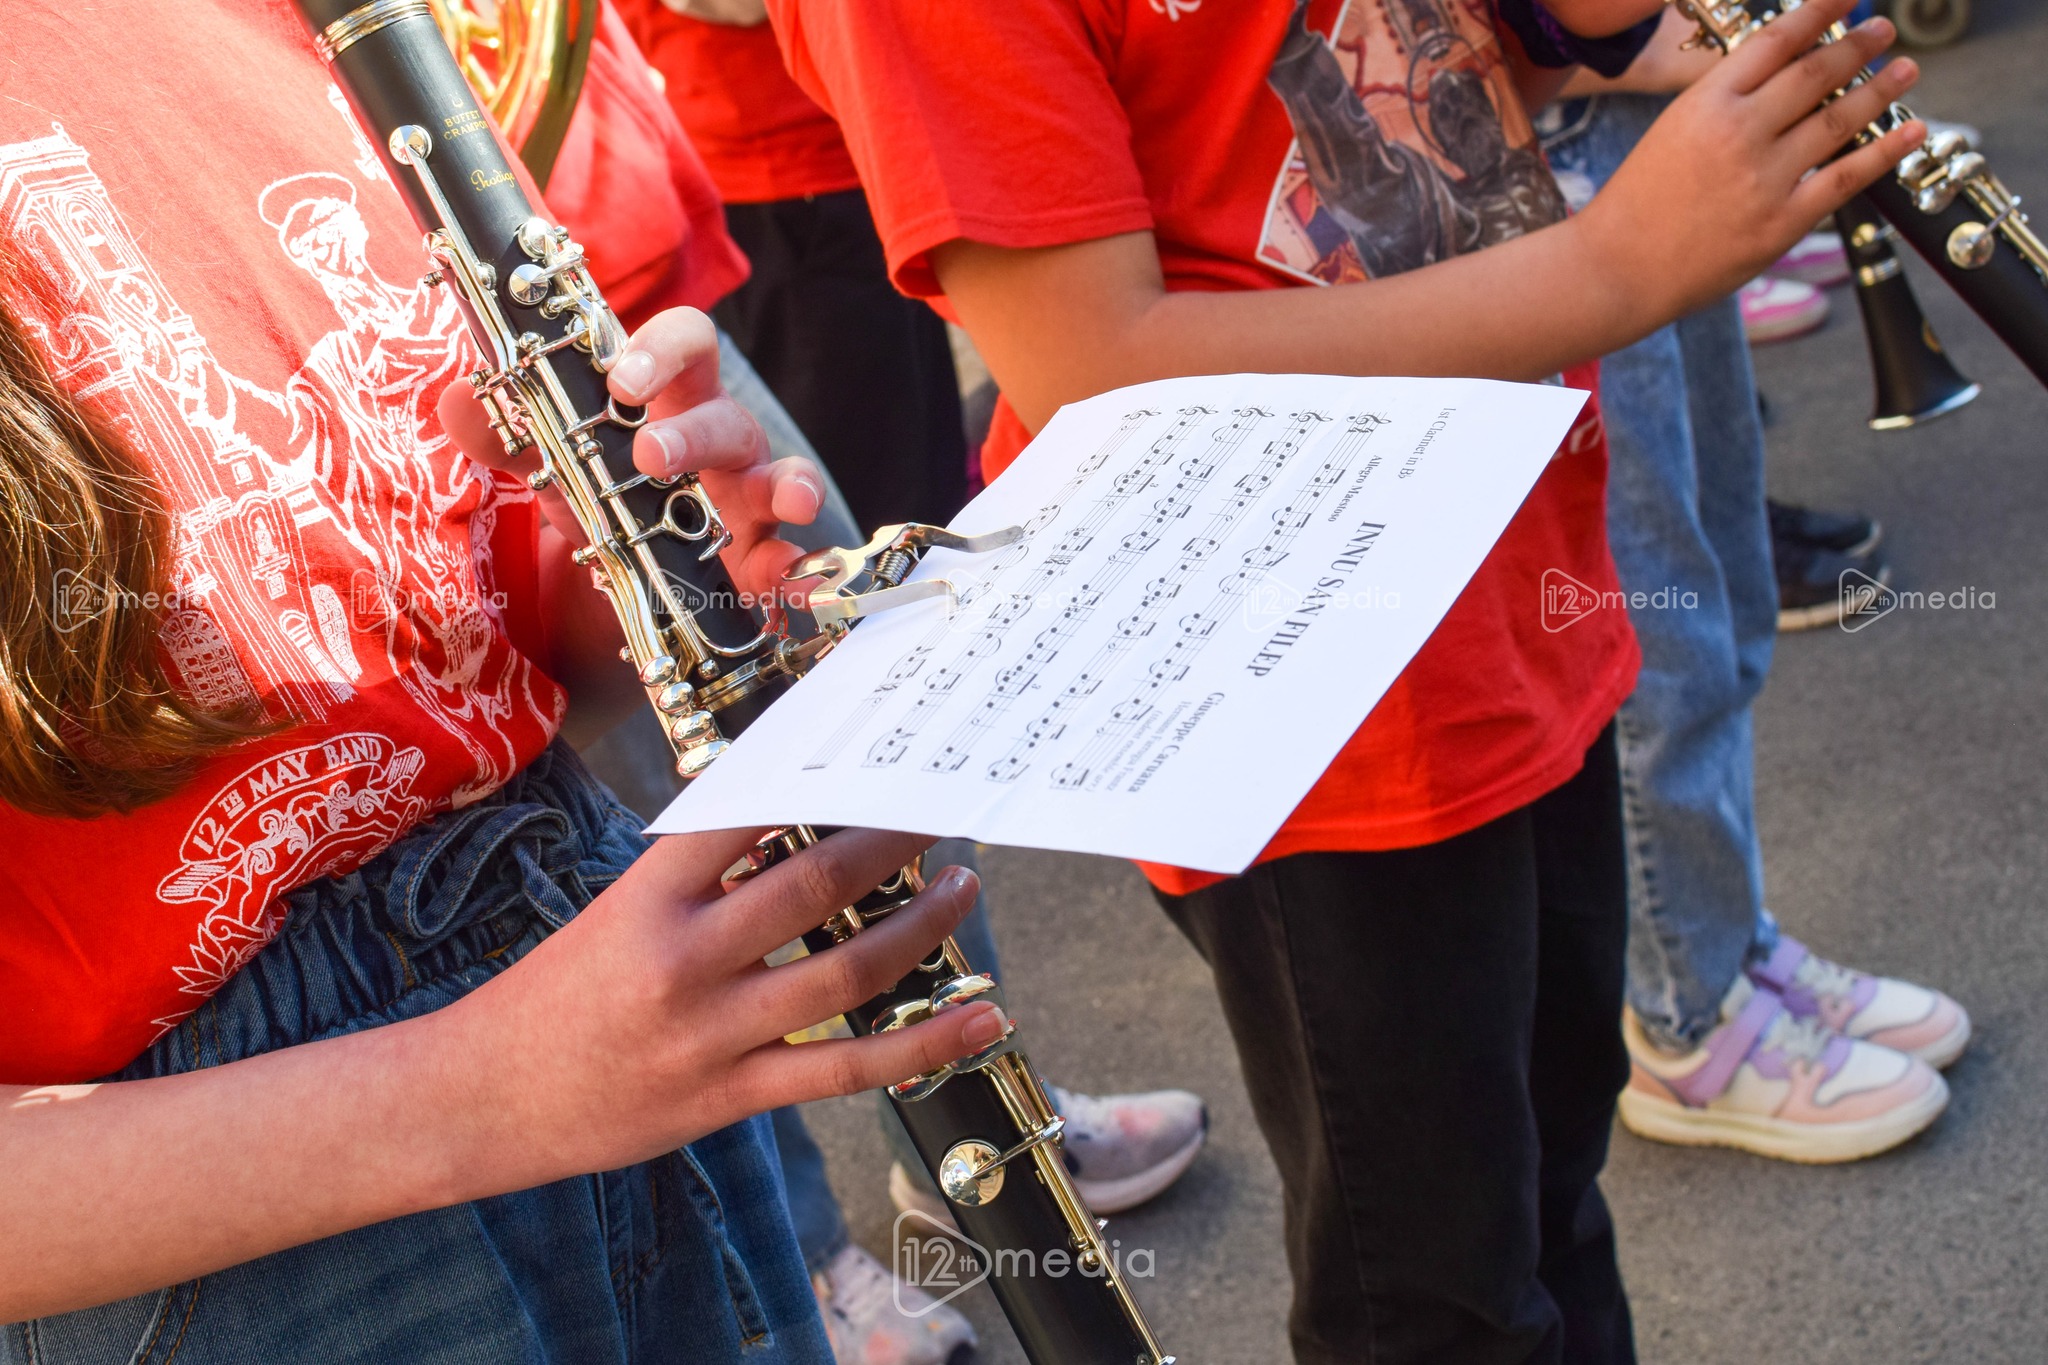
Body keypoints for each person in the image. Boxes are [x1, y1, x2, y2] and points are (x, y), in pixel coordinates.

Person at [768, 0, 1930, 1358]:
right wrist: (1618, 262)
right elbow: (1095, 367)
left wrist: (1584, 33)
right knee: (1436, 1297)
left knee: (1550, 1193)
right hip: (1309, 700)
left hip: (1509, 581)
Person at [0, 4, 1009, 1359]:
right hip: (251, 1232)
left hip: (586, 1005)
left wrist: (694, 570)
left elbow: (472, 658)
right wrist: (475, 1091)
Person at [568, 14, 1206, 1361]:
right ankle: (794, 1256)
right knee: (669, 849)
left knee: (877, 668)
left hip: (645, 254)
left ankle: (978, 1111)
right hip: (486, 340)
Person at [1539, 5, 1967, 1164]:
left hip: (1636, 136)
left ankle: (1721, 934)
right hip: (1548, 170)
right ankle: (1686, 1022)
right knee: (1657, 628)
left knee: (1721, 574)